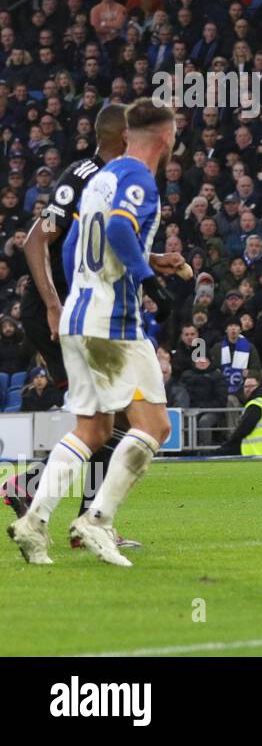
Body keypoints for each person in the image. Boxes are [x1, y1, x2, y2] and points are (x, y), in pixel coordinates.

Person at [9, 99, 182, 567]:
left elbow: (69, 246)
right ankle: (97, 520)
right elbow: (122, 230)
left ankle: (33, 519)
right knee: (155, 426)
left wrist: (82, 289)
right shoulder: (137, 178)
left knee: (94, 427)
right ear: (163, 139)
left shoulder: (98, 180)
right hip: (114, 320)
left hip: (77, 317)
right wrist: (147, 279)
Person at [4, 105, 132, 531]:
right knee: (108, 419)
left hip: (83, 315)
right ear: (122, 139)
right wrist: (55, 305)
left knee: (112, 420)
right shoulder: (82, 177)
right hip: (58, 315)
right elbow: (34, 242)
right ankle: (88, 521)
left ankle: (67, 510)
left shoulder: (113, 182)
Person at [215, 374, 262, 456]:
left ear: (259, 386)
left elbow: (242, 431)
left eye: (252, 386)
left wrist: (224, 448)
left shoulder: (255, 405)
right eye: (246, 386)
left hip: (257, 452)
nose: (248, 389)